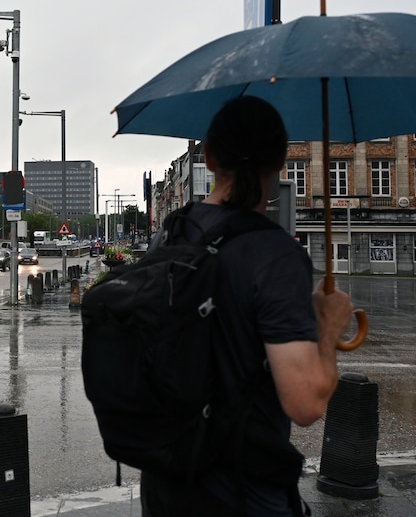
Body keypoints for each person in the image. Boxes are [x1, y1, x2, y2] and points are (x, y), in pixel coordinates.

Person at [140, 95, 354, 516]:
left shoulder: (169, 235)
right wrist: (327, 329)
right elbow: (305, 403)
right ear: (281, 163)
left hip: (166, 486)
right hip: (241, 493)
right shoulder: (274, 255)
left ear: (210, 156)